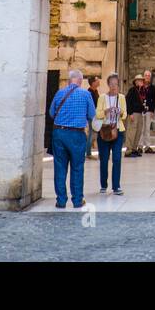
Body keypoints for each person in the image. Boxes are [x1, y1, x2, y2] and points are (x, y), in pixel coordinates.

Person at [48, 68, 96, 208]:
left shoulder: (60, 93)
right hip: (77, 134)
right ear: (80, 81)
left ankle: (61, 200)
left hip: (59, 134)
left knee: (60, 167)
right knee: (77, 167)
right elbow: (92, 115)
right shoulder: (86, 94)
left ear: (70, 80)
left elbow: (51, 113)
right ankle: (77, 200)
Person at [93, 73, 126, 195]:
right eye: (111, 84)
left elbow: (125, 115)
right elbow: (98, 114)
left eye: (116, 84)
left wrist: (120, 112)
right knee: (104, 159)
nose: (113, 87)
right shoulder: (102, 98)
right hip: (104, 131)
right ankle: (103, 185)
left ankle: (116, 186)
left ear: (118, 85)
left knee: (117, 159)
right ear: (108, 85)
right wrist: (106, 111)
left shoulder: (121, 98)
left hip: (118, 130)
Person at [125, 73, 149, 157]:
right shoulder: (132, 90)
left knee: (138, 132)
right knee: (131, 132)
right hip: (133, 113)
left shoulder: (142, 91)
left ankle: (134, 149)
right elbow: (128, 102)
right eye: (139, 80)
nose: (141, 81)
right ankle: (128, 150)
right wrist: (130, 113)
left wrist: (144, 108)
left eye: (142, 80)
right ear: (135, 82)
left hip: (140, 113)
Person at [140, 70, 155, 153]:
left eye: (148, 76)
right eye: (146, 75)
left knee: (147, 129)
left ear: (150, 77)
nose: (147, 77)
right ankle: (139, 146)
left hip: (149, 110)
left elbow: (153, 100)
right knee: (141, 129)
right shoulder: (140, 86)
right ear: (143, 76)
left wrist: (153, 111)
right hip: (140, 109)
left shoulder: (152, 87)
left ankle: (147, 146)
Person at [87, 76, 102, 159]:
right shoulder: (89, 92)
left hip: (97, 115)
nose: (99, 81)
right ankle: (88, 153)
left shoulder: (95, 91)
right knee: (91, 134)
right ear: (93, 83)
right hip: (92, 116)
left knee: (95, 134)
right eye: (97, 80)